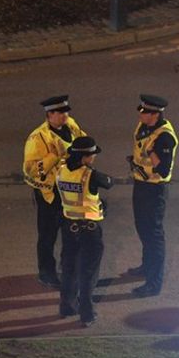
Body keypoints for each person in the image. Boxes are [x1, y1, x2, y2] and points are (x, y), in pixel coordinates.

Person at [23, 95, 87, 289]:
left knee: (71, 233)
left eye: (66, 112)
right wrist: (54, 155)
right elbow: (31, 169)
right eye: (60, 113)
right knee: (48, 235)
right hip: (50, 194)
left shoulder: (71, 125)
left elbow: (85, 142)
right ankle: (46, 273)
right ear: (50, 115)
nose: (65, 116)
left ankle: (68, 269)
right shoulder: (38, 137)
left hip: (71, 190)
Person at [56, 136, 113, 327]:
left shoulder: (61, 171)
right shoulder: (91, 175)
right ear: (84, 157)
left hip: (68, 227)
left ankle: (66, 306)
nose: (93, 158)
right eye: (92, 155)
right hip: (89, 230)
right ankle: (87, 314)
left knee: (69, 269)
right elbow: (109, 182)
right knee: (88, 272)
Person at [127, 94, 179, 298]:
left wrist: (151, 153)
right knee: (142, 228)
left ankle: (153, 282)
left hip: (155, 189)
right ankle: (146, 265)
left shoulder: (164, 136)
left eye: (145, 112)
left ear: (155, 114)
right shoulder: (144, 127)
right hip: (141, 184)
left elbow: (164, 170)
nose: (140, 114)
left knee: (153, 234)